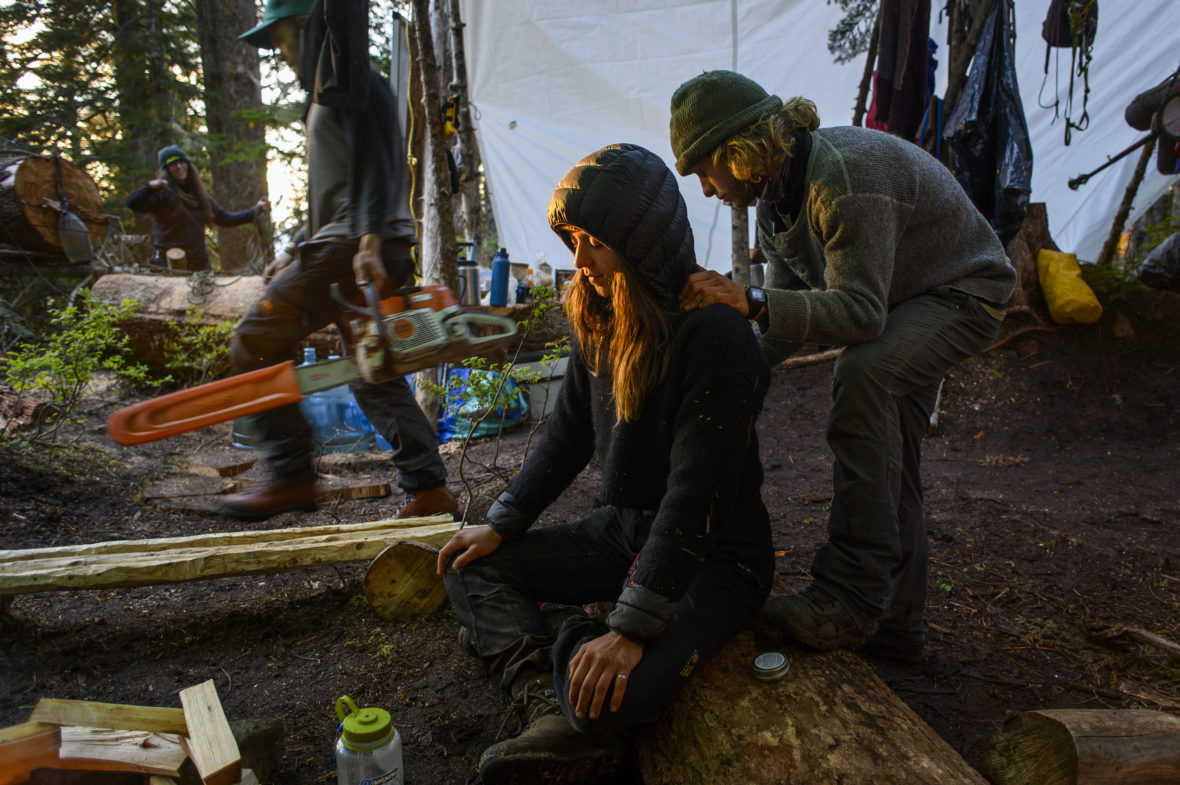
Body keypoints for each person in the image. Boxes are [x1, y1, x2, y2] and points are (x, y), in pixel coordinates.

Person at [436, 143, 774, 784]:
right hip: (626, 531)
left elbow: (696, 495)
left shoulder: (717, 338)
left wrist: (630, 626)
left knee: (618, 700)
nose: (580, 261)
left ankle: (566, 671)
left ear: (644, 242)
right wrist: (503, 522)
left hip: (718, 557)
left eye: (596, 242)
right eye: (573, 241)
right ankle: (545, 702)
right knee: (470, 567)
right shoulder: (601, 322)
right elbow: (565, 436)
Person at [669, 70, 1017, 662]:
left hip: (963, 292)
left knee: (864, 374)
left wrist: (749, 300)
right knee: (891, 464)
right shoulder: (775, 202)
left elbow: (858, 313)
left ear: (738, 150)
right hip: (907, 299)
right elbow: (786, 319)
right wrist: (724, 389)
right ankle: (899, 629)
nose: (705, 189)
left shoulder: (841, 177)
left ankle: (851, 597)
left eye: (704, 170)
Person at [223, 0, 457, 521]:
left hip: (355, 249)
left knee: (255, 340)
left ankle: (291, 477)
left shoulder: (353, 81)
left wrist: (369, 240)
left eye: (283, 41)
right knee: (372, 373)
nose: (281, 56)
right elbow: (340, 191)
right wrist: (295, 250)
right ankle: (429, 490)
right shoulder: (331, 89)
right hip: (351, 243)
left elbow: (377, 163)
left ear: (311, 30)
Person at [125, 145, 269, 271]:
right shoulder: (161, 196)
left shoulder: (200, 197)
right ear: (167, 170)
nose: (179, 166)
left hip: (198, 263)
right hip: (166, 263)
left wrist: (256, 210)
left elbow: (225, 219)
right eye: (173, 164)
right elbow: (132, 203)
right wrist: (149, 187)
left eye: (182, 162)